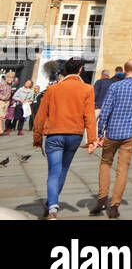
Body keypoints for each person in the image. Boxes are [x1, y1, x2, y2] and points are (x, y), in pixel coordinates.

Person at [31, 58, 96, 219]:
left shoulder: (53, 89)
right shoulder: (87, 89)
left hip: (54, 134)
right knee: (63, 170)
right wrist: (92, 140)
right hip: (74, 135)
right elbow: (90, 116)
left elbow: (40, 116)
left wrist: (37, 137)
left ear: (65, 71)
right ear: (80, 70)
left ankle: (52, 207)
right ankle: (51, 204)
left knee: (54, 171)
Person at [89, 59, 132, 219]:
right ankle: (115, 205)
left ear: (124, 69)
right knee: (122, 169)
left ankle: (102, 198)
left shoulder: (115, 86)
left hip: (113, 131)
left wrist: (100, 133)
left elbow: (106, 109)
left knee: (105, 163)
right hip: (130, 133)